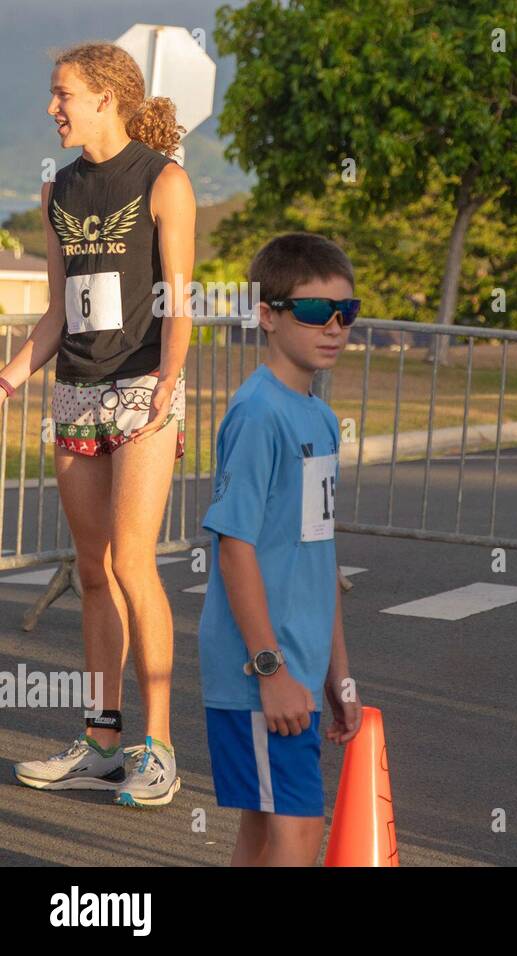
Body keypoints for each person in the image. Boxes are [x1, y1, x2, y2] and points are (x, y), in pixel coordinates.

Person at [10, 43, 194, 806]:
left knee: (131, 564)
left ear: (106, 97)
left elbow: (180, 298)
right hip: (76, 392)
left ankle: (160, 749)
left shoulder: (164, 179)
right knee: (91, 573)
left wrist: (169, 379)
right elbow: (57, 310)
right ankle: (101, 743)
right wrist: (10, 376)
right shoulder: (60, 190)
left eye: (63, 95)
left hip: (143, 386)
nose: (51, 108)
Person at [198, 233, 361, 866]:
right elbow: (233, 547)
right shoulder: (258, 413)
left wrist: (336, 674)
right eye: (316, 312)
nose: (335, 327)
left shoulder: (318, 418)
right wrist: (272, 672)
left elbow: (320, 559)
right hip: (261, 675)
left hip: (296, 668)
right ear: (267, 315)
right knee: (295, 829)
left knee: (265, 834)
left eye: (346, 312)